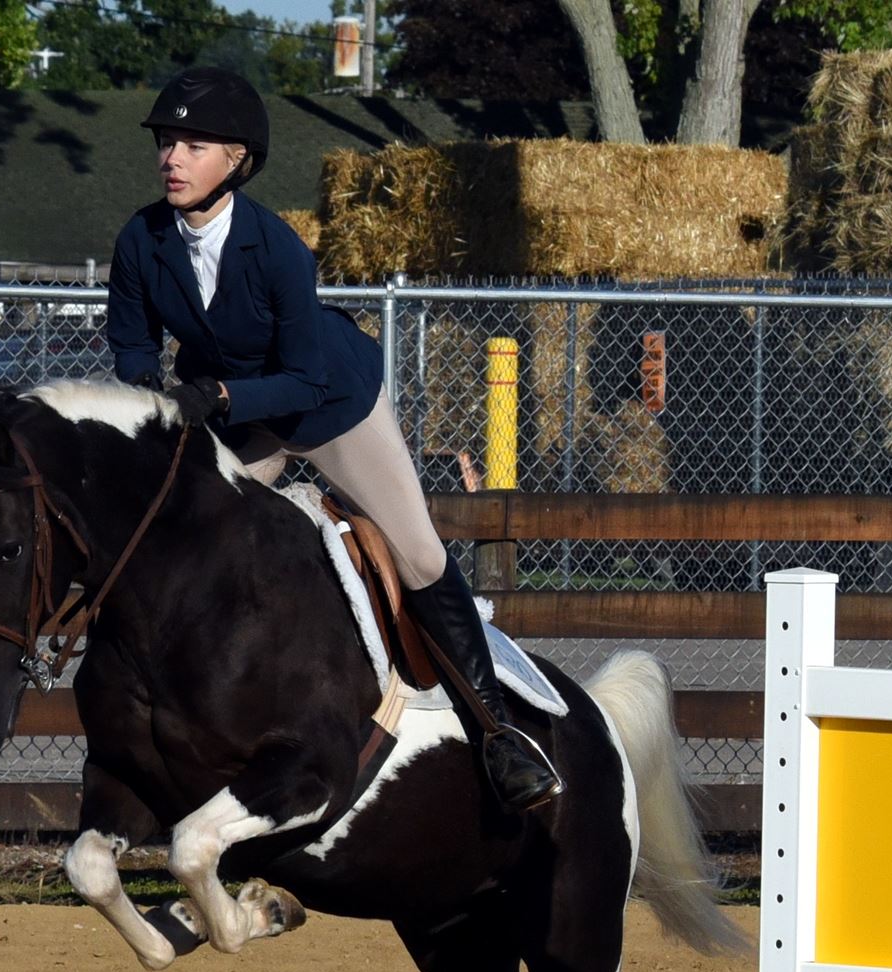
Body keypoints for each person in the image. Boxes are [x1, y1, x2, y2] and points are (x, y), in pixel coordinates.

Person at [104, 67, 562, 813]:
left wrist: (214, 395)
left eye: (193, 144)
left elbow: (305, 381)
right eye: (166, 141)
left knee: (418, 553)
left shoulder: (279, 249)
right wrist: (148, 401)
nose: (172, 157)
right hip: (235, 416)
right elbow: (130, 347)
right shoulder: (140, 239)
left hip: (330, 405)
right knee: (179, 543)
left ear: (238, 161)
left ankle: (498, 734)